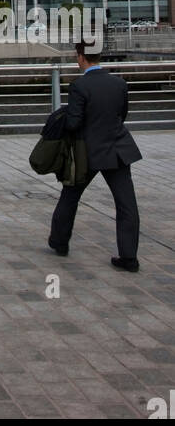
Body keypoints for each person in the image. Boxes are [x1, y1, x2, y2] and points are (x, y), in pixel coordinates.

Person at [48, 44, 142, 270]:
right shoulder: (119, 83)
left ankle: (60, 242)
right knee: (127, 204)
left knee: (70, 196)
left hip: (87, 152)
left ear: (80, 57)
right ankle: (129, 257)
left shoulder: (79, 86)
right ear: (98, 56)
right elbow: (122, 114)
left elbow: (73, 123)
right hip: (118, 149)